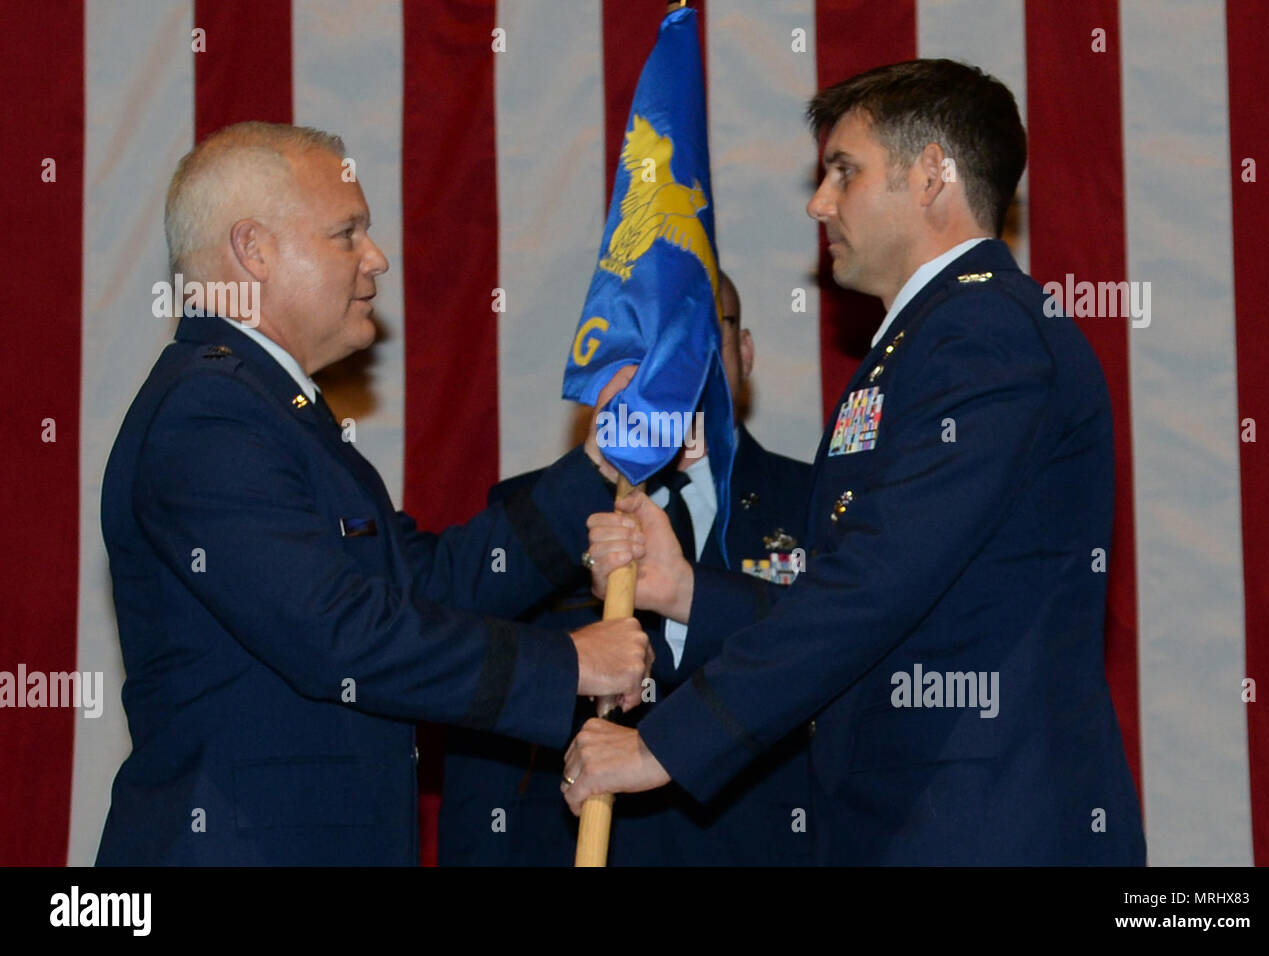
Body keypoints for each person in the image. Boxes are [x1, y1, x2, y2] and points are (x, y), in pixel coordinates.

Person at [563, 59, 1147, 865]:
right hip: (912, 815)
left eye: (845, 171)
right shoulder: (930, 338)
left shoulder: (983, 334)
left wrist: (665, 745)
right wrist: (690, 591)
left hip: (980, 823)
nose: (819, 202)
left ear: (932, 174)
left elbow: (880, 582)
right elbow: (894, 603)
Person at [96, 122, 651, 866]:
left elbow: (429, 585)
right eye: (346, 233)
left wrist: (597, 465)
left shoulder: (273, 409)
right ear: (253, 250)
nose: (376, 259)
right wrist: (569, 664)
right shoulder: (211, 411)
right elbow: (335, 632)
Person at [439, 274, 813, 866]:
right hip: (583, 845)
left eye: (703, 327)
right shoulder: (538, 515)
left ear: (744, 352)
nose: (678, 352)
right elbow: (477, 701)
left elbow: (836, 676)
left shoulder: (817, 503)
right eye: (655, 333)